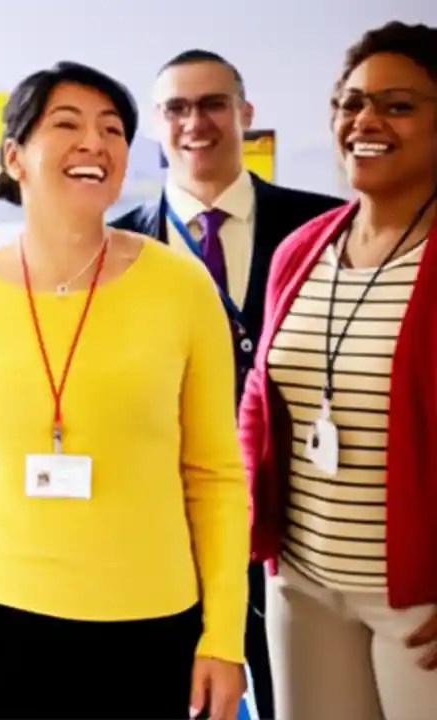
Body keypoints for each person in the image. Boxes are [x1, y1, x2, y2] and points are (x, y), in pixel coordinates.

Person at [0, 62, 248, 720]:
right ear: (15, 157)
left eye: (113, 129)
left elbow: (216, 477)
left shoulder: (183, 288)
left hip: (153, 631)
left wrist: (224, 638)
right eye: (68, 124)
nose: (95, 143)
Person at [110, 49, 343, 718]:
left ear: (245, 114)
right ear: (156, 125)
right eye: (176, 108)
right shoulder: (116, 250)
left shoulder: (322, 229)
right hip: (167, 523)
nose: (195, 122)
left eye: (212, 104)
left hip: (299, 522)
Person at [239, 21, 437, 720]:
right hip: (303, 584)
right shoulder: (301, 249)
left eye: (399, 104)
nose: (365, 121)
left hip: (417, 602)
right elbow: (264, 402)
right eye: (350, 102)